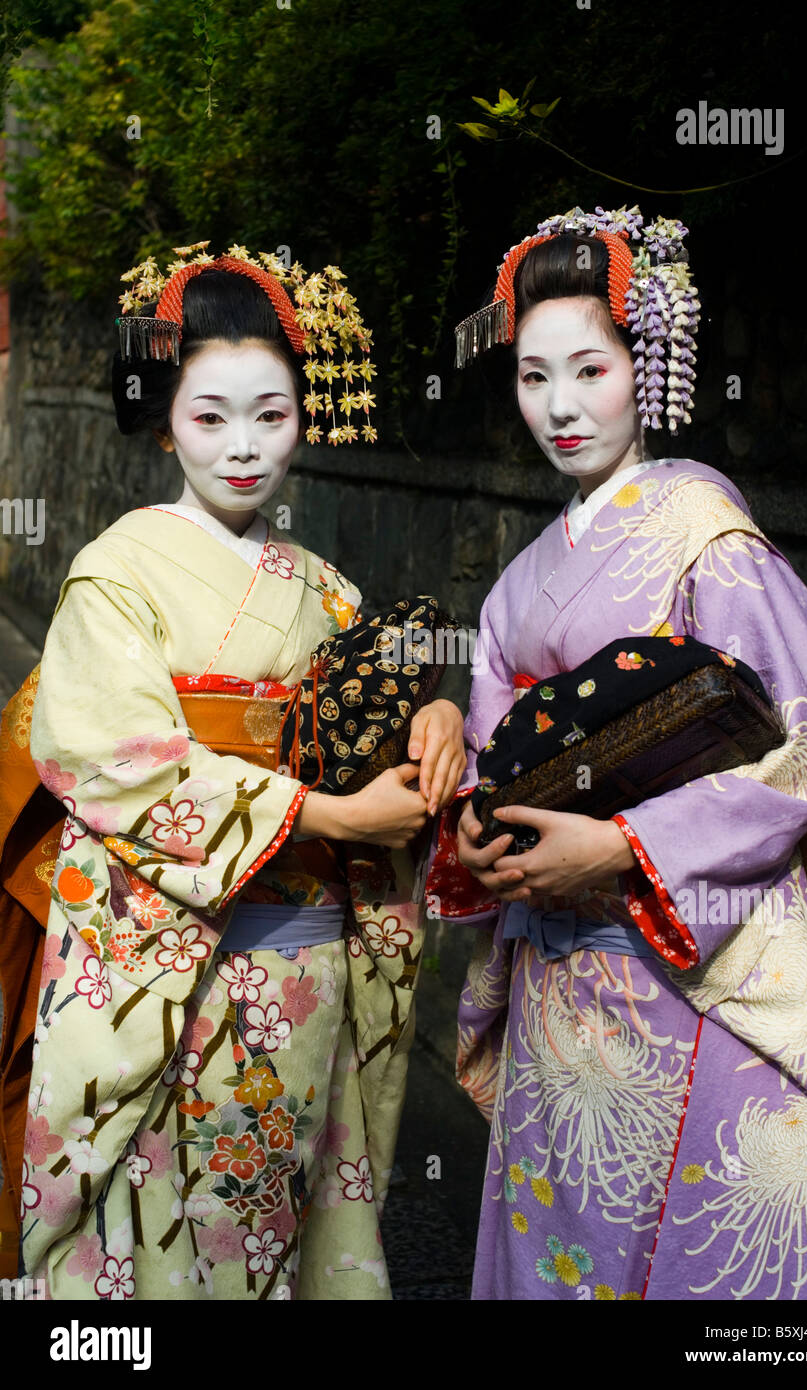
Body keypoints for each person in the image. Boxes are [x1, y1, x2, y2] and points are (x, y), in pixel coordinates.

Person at [428, 204, 807, 1300]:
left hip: (694, 967)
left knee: (715, 1256)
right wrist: (479, 832)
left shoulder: (707, 536)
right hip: (559, 984)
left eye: (590, 368)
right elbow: (496, 761)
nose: (562, 407)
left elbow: (806, 755)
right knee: (563, 1250)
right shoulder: (515, 585)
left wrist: (623, 844)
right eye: (534, 378)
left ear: (649, 364)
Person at [8, 243, 464, 1299]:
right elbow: (113, 761)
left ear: (309, 411)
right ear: (165, 416)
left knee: (281, 1220)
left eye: (273, 413)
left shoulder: (325, 587)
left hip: (306, 975)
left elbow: (388, 695)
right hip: (171, 972)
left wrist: (437, 712)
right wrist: (335, 816)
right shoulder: (116, 573)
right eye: (210, 416)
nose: (245, 447)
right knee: (170, 1239)